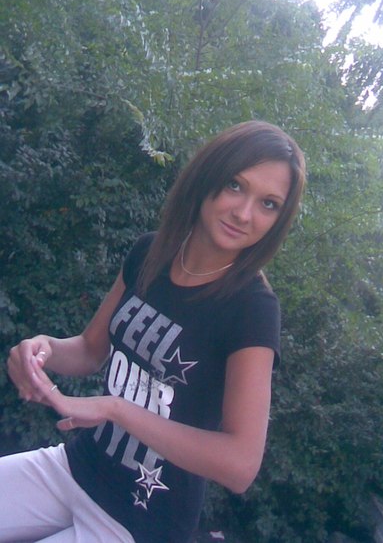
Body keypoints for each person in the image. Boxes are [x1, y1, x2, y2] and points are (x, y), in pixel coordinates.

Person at [2, 120, 306, 543]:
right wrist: (42, 350)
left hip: (140, 521)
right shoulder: (152, 251)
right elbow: (90, 349)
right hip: (75, 468)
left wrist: (116, 409)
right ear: (207, 177)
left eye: (269, 204)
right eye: (235, 185)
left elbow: (241, 465)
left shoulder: (252, 308)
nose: (244, 213)